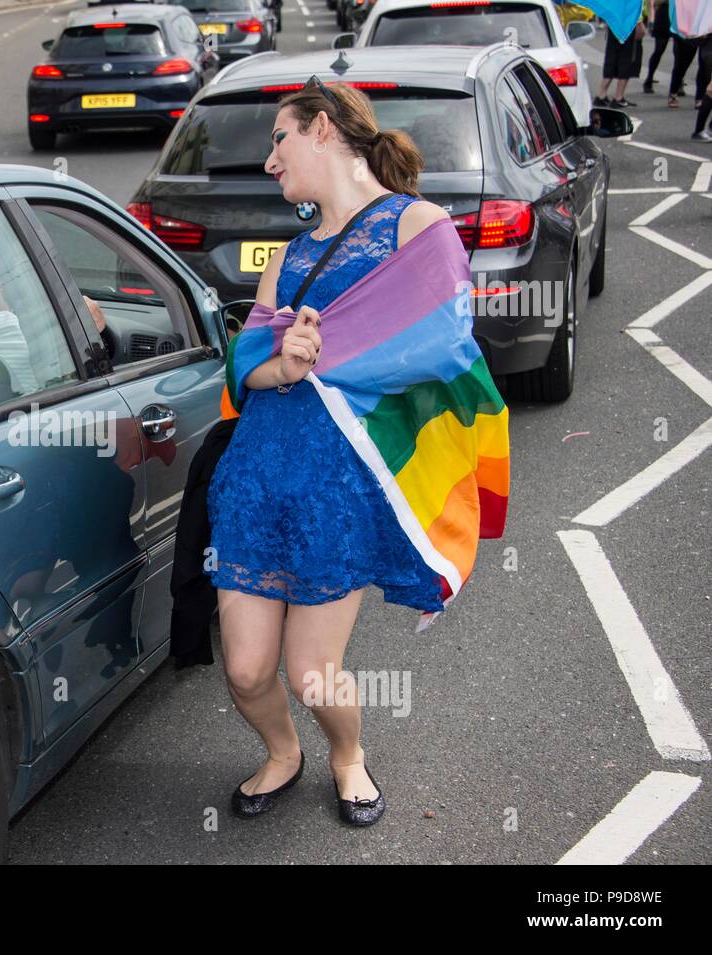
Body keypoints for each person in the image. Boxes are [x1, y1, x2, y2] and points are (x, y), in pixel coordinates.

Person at [205, 77, 455, 827]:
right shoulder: (287, 258)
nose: (270, 162)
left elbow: (444, 340)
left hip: (337, 487)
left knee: (313, 674)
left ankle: (348, 756)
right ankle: (284, 753)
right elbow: (243, 353)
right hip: (256, 476)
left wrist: (329, 346)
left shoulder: (416, 224)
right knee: (247, 671)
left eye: (278, 140)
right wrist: (281, 361)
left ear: (321, 129)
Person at [596, 0, 649, 108]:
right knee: (627, 59)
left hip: (614, 20)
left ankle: (601, 94)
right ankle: (618, 97)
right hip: (629, 22)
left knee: (612, 57)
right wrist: (639, 23)